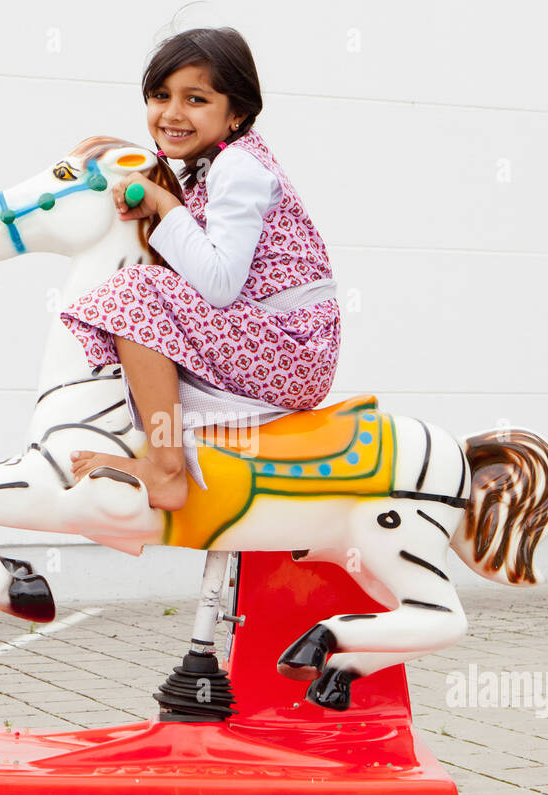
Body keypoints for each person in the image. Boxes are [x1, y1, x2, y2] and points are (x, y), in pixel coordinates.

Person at [61, 26, 341, 511]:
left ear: (236, 115)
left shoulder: (238, 169)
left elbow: (219, 284)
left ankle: (166, 470)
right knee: (145, 292)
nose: (171, 113)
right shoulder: (214, 166)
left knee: (134, 294)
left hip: (292, 346)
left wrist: (166, 207)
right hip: (268, 334)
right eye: (159, 95)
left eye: (195, 99)